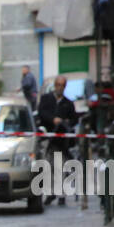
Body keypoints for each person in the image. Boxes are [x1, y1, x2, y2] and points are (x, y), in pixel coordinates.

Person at [37, 74, 79, 206]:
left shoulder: (68, 103)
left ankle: (61, 194)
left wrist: (66, 122)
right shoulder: (46, 99)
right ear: (54, 85)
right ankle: (50, 193)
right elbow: (41, 113)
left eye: (62, 85)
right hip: (48, 138)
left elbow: (74, 120)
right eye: (58, 85)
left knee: (61, 168)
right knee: (48, 167)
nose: (60, 88)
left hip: (62, 142)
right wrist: (52, 119)